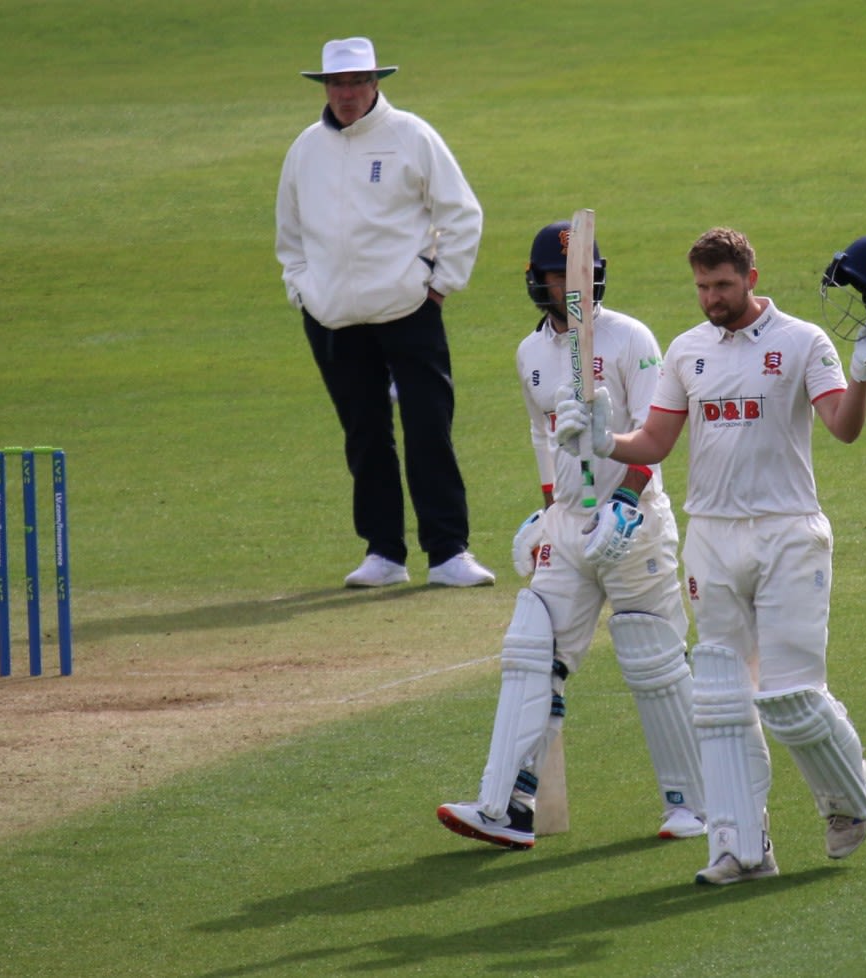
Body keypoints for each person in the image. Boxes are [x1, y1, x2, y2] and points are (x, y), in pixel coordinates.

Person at [555, 227, 866, 885]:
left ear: (750, 277)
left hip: (788, 532)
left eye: (721, 285)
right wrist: (604, 440)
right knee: (720, 700)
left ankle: (847, 797)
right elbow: (656, 441)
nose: (710, 298)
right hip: (711, 538)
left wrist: (863, 375)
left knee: (789, 696)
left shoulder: (804, 341)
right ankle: (740, 849)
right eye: (701, 286)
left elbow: (844, 428)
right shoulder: (688, 351)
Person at [436, 221, 705, 849]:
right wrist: (547, 510)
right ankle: (508, 806)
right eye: (558, 277)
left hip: (634, 525)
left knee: (653, 658)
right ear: (537, 282)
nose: (568, 286)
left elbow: (658, 426)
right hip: (569, 524)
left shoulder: (630, 337)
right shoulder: (530, 354)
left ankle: (696, 804)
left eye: (576, 274)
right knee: (533, 651)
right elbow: (542, 434)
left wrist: (630, 501)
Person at [275, 36, 494, 589]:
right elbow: (290, 236)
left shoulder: (410, 136)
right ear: (325, 87)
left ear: (376, 83)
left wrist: (439, 286)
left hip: (407, 308)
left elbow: (461, 214)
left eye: (356, 82)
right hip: (332, 317)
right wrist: (304, 291)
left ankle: (448, 552)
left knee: (428, 427)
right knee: (365, 434)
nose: (346, 93)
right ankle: (384, 553)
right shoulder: (305, 149)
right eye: (336, 83)